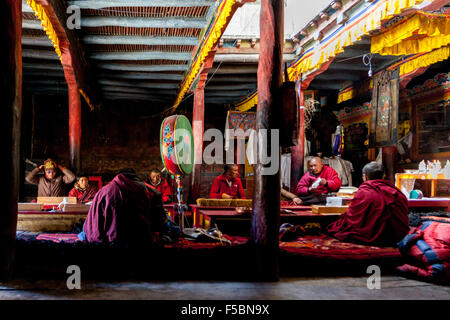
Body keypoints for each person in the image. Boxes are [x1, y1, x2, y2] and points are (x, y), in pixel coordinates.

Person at [326, 162, 409, 246]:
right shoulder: (396, 192)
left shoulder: (364, 192)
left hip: (371, 235)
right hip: (395, 236)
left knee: (338, 226)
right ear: (383, 176)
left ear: (364, 177)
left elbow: (352, 217)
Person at [81, 168, 168, 246]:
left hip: (109, 242)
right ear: (135, 177)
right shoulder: (150, 191)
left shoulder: (103, 191)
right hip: (141, 242)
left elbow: (93, 224)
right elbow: (159, 225)